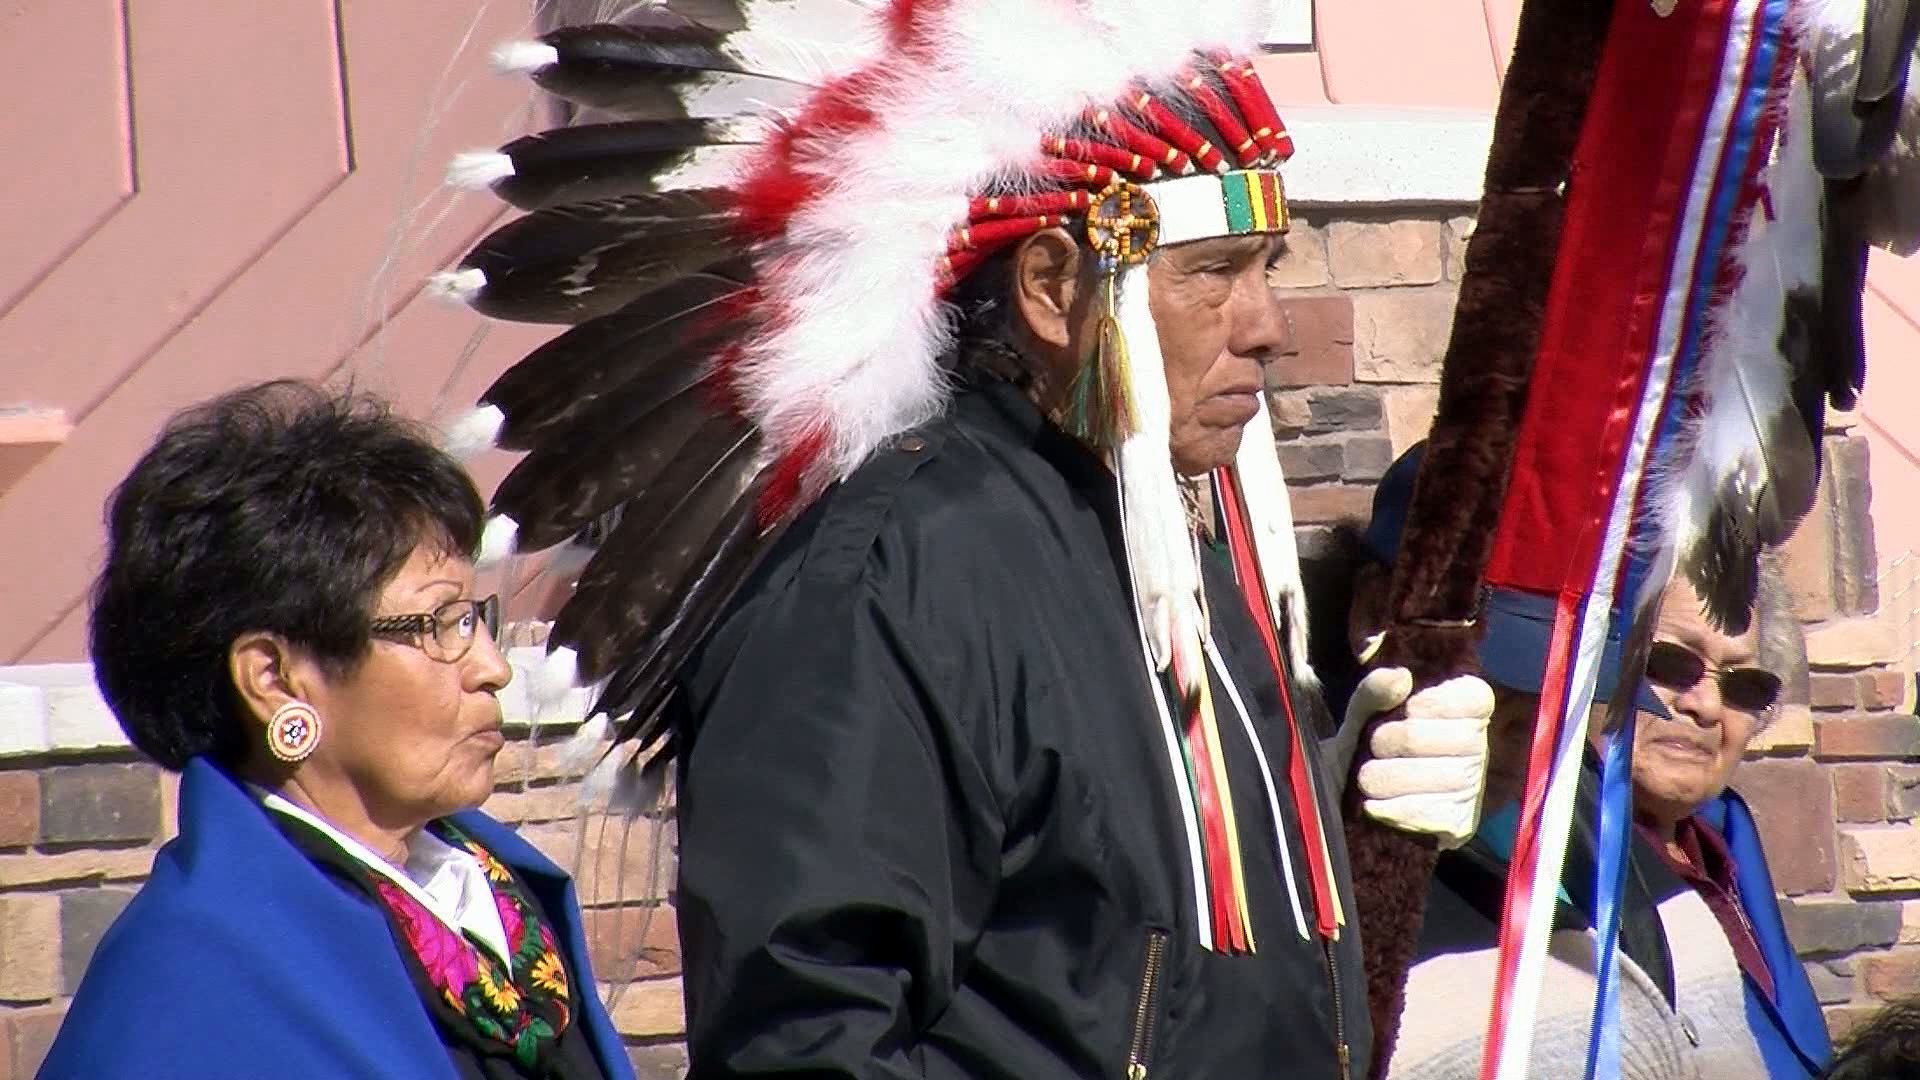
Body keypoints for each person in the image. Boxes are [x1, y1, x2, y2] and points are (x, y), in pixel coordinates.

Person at [424, 3, 1496, 1077]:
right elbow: (807, 1040)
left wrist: (1353, 815)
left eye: (1268, 264)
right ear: (1050, 287)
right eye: (1212, 272)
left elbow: (1150, 959)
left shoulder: (1160, 542)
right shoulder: (889, 579)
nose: (1266, 322)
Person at [40, 382, 633, 1080]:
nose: (493, 668)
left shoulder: (495, 897)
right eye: (440, 623)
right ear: (275, 678)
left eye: (475, 618)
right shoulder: (193, 988)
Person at [1353, 445, 1828, 1079]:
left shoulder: (1708, 848)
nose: (1705, 707)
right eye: (1667, 666)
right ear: (1369, 620)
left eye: (1573, 683)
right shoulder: (1318, 857)